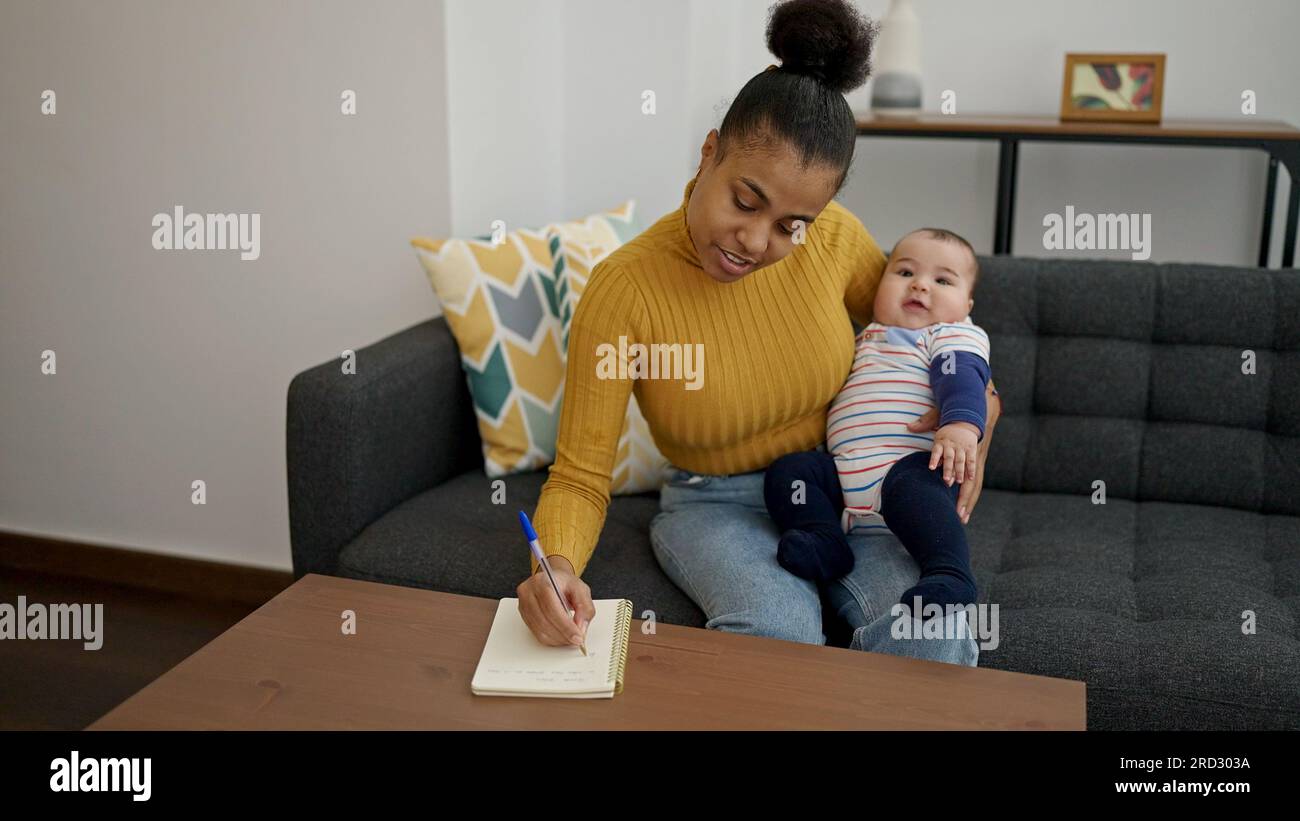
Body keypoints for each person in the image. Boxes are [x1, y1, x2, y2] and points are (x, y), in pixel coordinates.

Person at [516, 0, 999, 665]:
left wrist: (980, 413)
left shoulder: (832, 240)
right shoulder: (624, 290)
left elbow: (939, 325)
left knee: (933, 628)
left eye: (790, 224)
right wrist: (557, 566)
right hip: (717, 505)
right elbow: (579, 473)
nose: (755, 241)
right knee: (779, 637)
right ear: (709, 151)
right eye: (745, 201)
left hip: (849, 489)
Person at [764, 228, 990, 617]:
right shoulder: (864, 337)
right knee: (791, 472)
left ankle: (950, 574)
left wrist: (961, 425)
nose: (920, 285)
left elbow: (962, 377)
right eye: (904, 273)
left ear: (967, 303)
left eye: (942, 280)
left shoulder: (950, 335)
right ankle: (825, 539)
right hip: (843, 477)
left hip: (913, 471)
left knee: (911, 487)